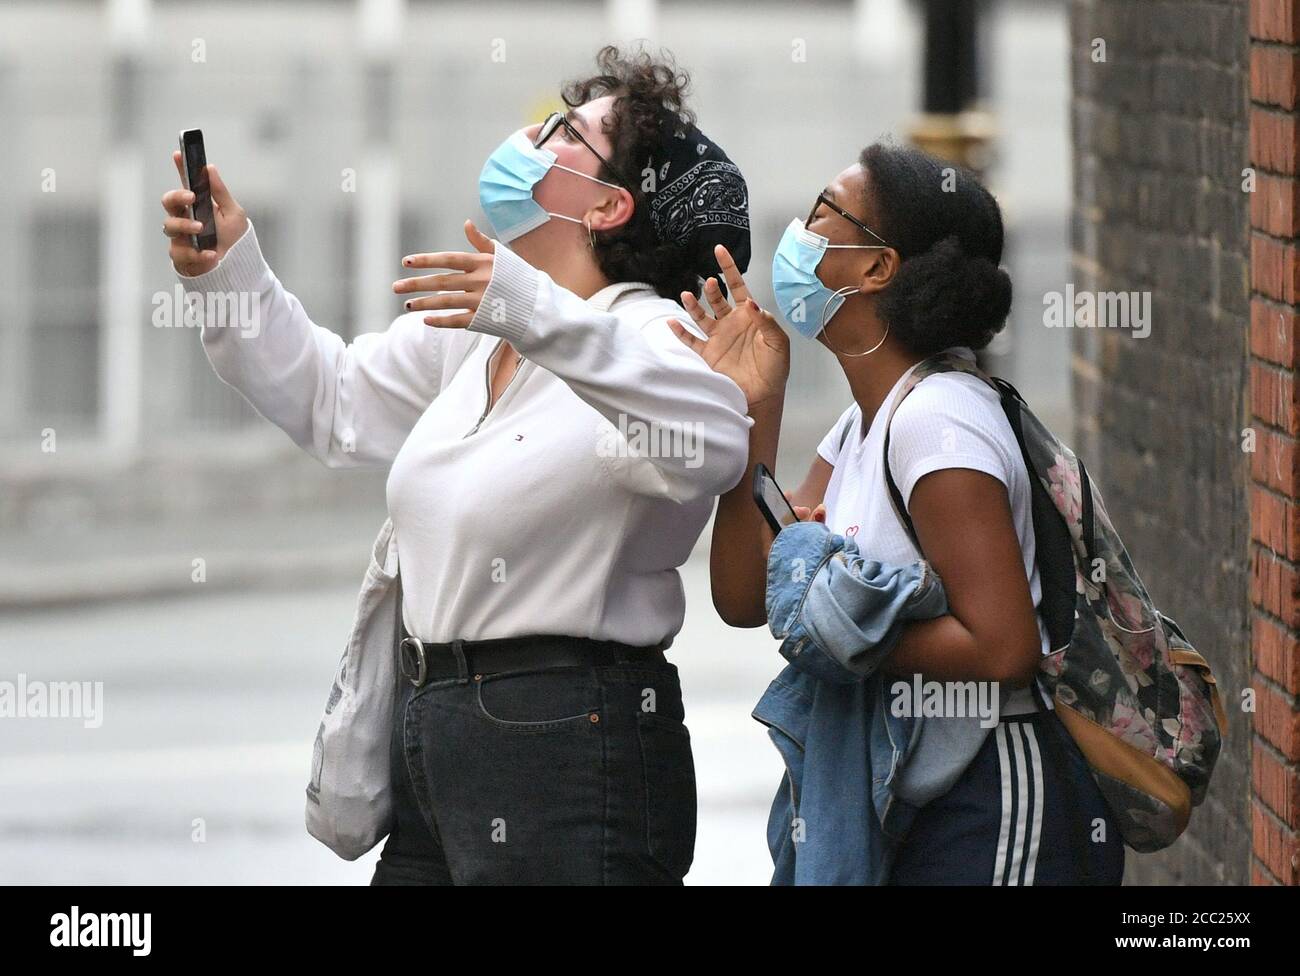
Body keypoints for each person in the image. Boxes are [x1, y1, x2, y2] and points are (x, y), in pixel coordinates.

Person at [161, 46, 753, 885]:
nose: (529, 134)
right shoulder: (482, 337)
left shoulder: (654, 337)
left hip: (571, 744)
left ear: (610, 206)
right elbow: (331, 399)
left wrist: (530, 309)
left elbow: (710, 444)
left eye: (564, 131)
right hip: (435, 735)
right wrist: (228, 269)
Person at [668, 142, 1124, 885]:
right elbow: (746, 598)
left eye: (822, 216)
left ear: (878, 268)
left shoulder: (938, 421)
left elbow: (1002, 646)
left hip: (986, 797)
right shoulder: (860, 428)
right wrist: (758, 405)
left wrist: (842, 625)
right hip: (909, 795)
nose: (797, 235)